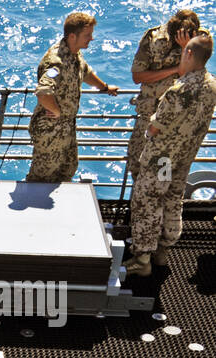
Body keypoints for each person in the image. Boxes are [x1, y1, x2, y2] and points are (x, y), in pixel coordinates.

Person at [125, 34, 216, 276]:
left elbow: (155, 127)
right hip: (184, 158)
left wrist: (149, 129)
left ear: (188, 54)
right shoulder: (211, 85)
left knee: (148, 201)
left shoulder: (179, 91)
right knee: (173, 201)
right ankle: (163, 251)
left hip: (162, 160)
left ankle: (142, 259)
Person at [26, 12, 118, 183]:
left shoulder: (75, 54)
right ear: (72, 36)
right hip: (50, 131)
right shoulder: (56, 61)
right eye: (87, 35)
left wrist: (104, 87)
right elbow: (43, 91)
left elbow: (85, 72)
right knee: (41, 178)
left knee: (67, 169)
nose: (91, 38)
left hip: (67, 129)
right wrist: (57, 111)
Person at [128, 10, 207, 179]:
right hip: (150, 114)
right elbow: (137, 76)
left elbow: (194, 75)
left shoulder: (200, 40)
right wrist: (174, 70)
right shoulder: (153, 38)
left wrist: (187, 49)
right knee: (138, 166)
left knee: (167, 172)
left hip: (178, 118)